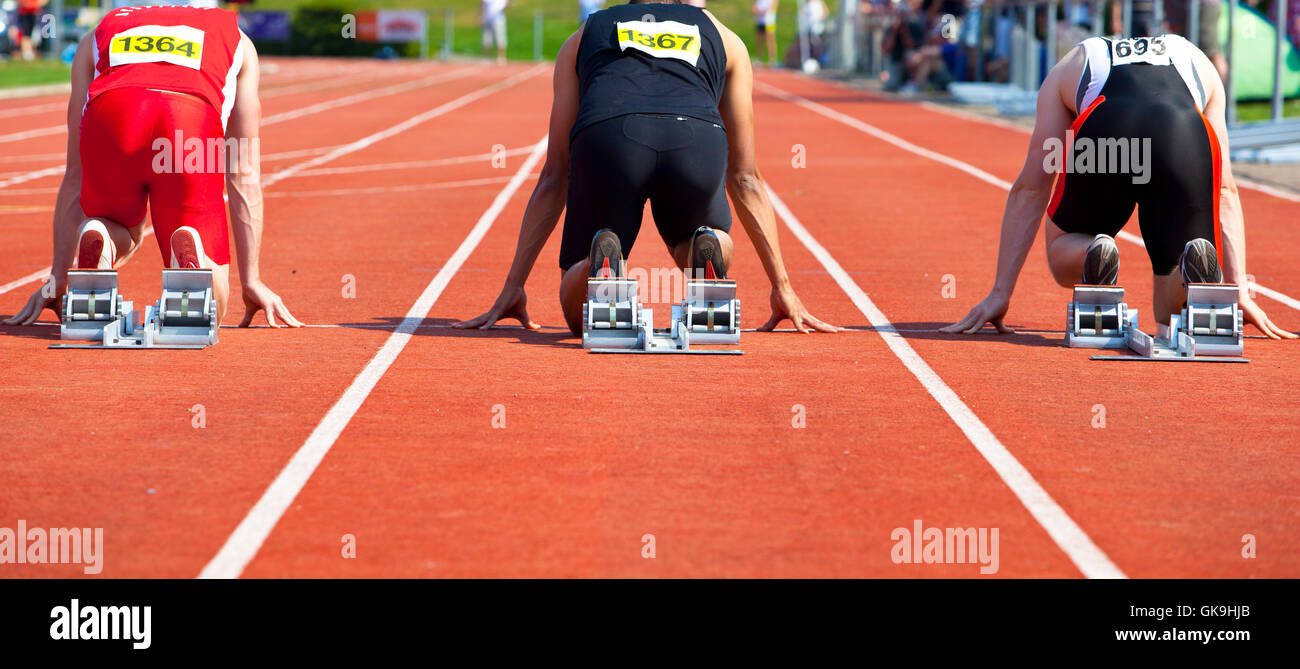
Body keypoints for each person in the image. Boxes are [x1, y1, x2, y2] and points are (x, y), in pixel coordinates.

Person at [456, 0, 835, 335]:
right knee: (701, 235)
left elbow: (554, 175)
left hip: (610, 137)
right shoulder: (724, 36)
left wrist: (513, 285)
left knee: (579, 311)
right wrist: (781, 286)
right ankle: (709, 244)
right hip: (695, 140)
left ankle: (598, 264)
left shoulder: (585, 33)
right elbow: (745, 177)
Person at [942, 33, 1295, 340]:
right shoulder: (1197, 60)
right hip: (1180, 133)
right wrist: (1238, 291)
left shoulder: (1075, 60)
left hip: (1107, 133)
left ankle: (1092, 249)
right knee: (1167, 313)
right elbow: (1225, 190)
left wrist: (1001, 292)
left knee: (1062, 245)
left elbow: (1031, 188)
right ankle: (1188, 269)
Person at [5, 3, 300, 329]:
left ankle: (101, 232)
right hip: (186, 125)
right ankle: (196, 263)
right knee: (217, 301)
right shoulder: (237, 37)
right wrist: (252, 280)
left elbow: (74, 174)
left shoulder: (104, 28)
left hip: (112, 120)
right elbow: (243, 172)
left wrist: (57, 278)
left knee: (116, 225)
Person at [483, 0, 509, 64]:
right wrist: (480, 16)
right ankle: (487, 58)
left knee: (500, 38)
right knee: (487, 39)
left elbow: (506, 5)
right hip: (487, 19)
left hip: (499, 20)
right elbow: (482, 5)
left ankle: (501, 57)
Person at [754, 0, 779, 65]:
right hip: (760, 21)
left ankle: (772, 59)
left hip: (769, 21)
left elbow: (774, 5)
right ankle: (758, 58)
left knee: (770, 40)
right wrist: (756, 10)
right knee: (759, 41)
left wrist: (764, 11)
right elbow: (755, 6)